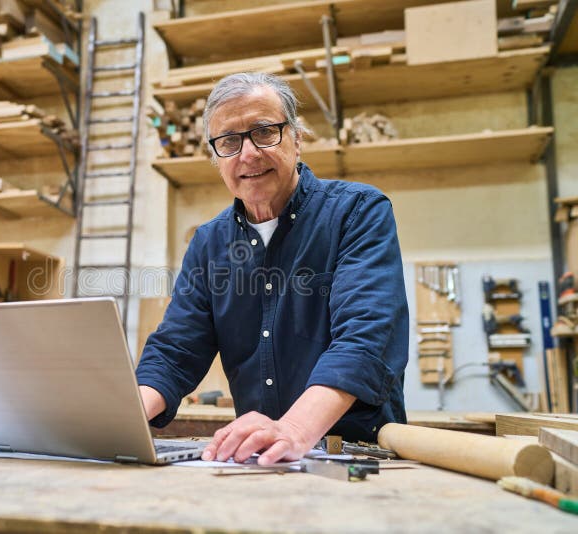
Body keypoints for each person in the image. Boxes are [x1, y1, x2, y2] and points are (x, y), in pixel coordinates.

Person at [136, 72, 409, 465]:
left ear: (296, 139)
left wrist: (295, 430)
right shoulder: (209, 243)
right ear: (216, 158)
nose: (247, 154)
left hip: (356, 459)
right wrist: (120, 417)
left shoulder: (358, 212)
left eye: (264, 132)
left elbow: (364, 340)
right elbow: (176, 350)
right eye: (229, 142)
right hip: (259, 463)